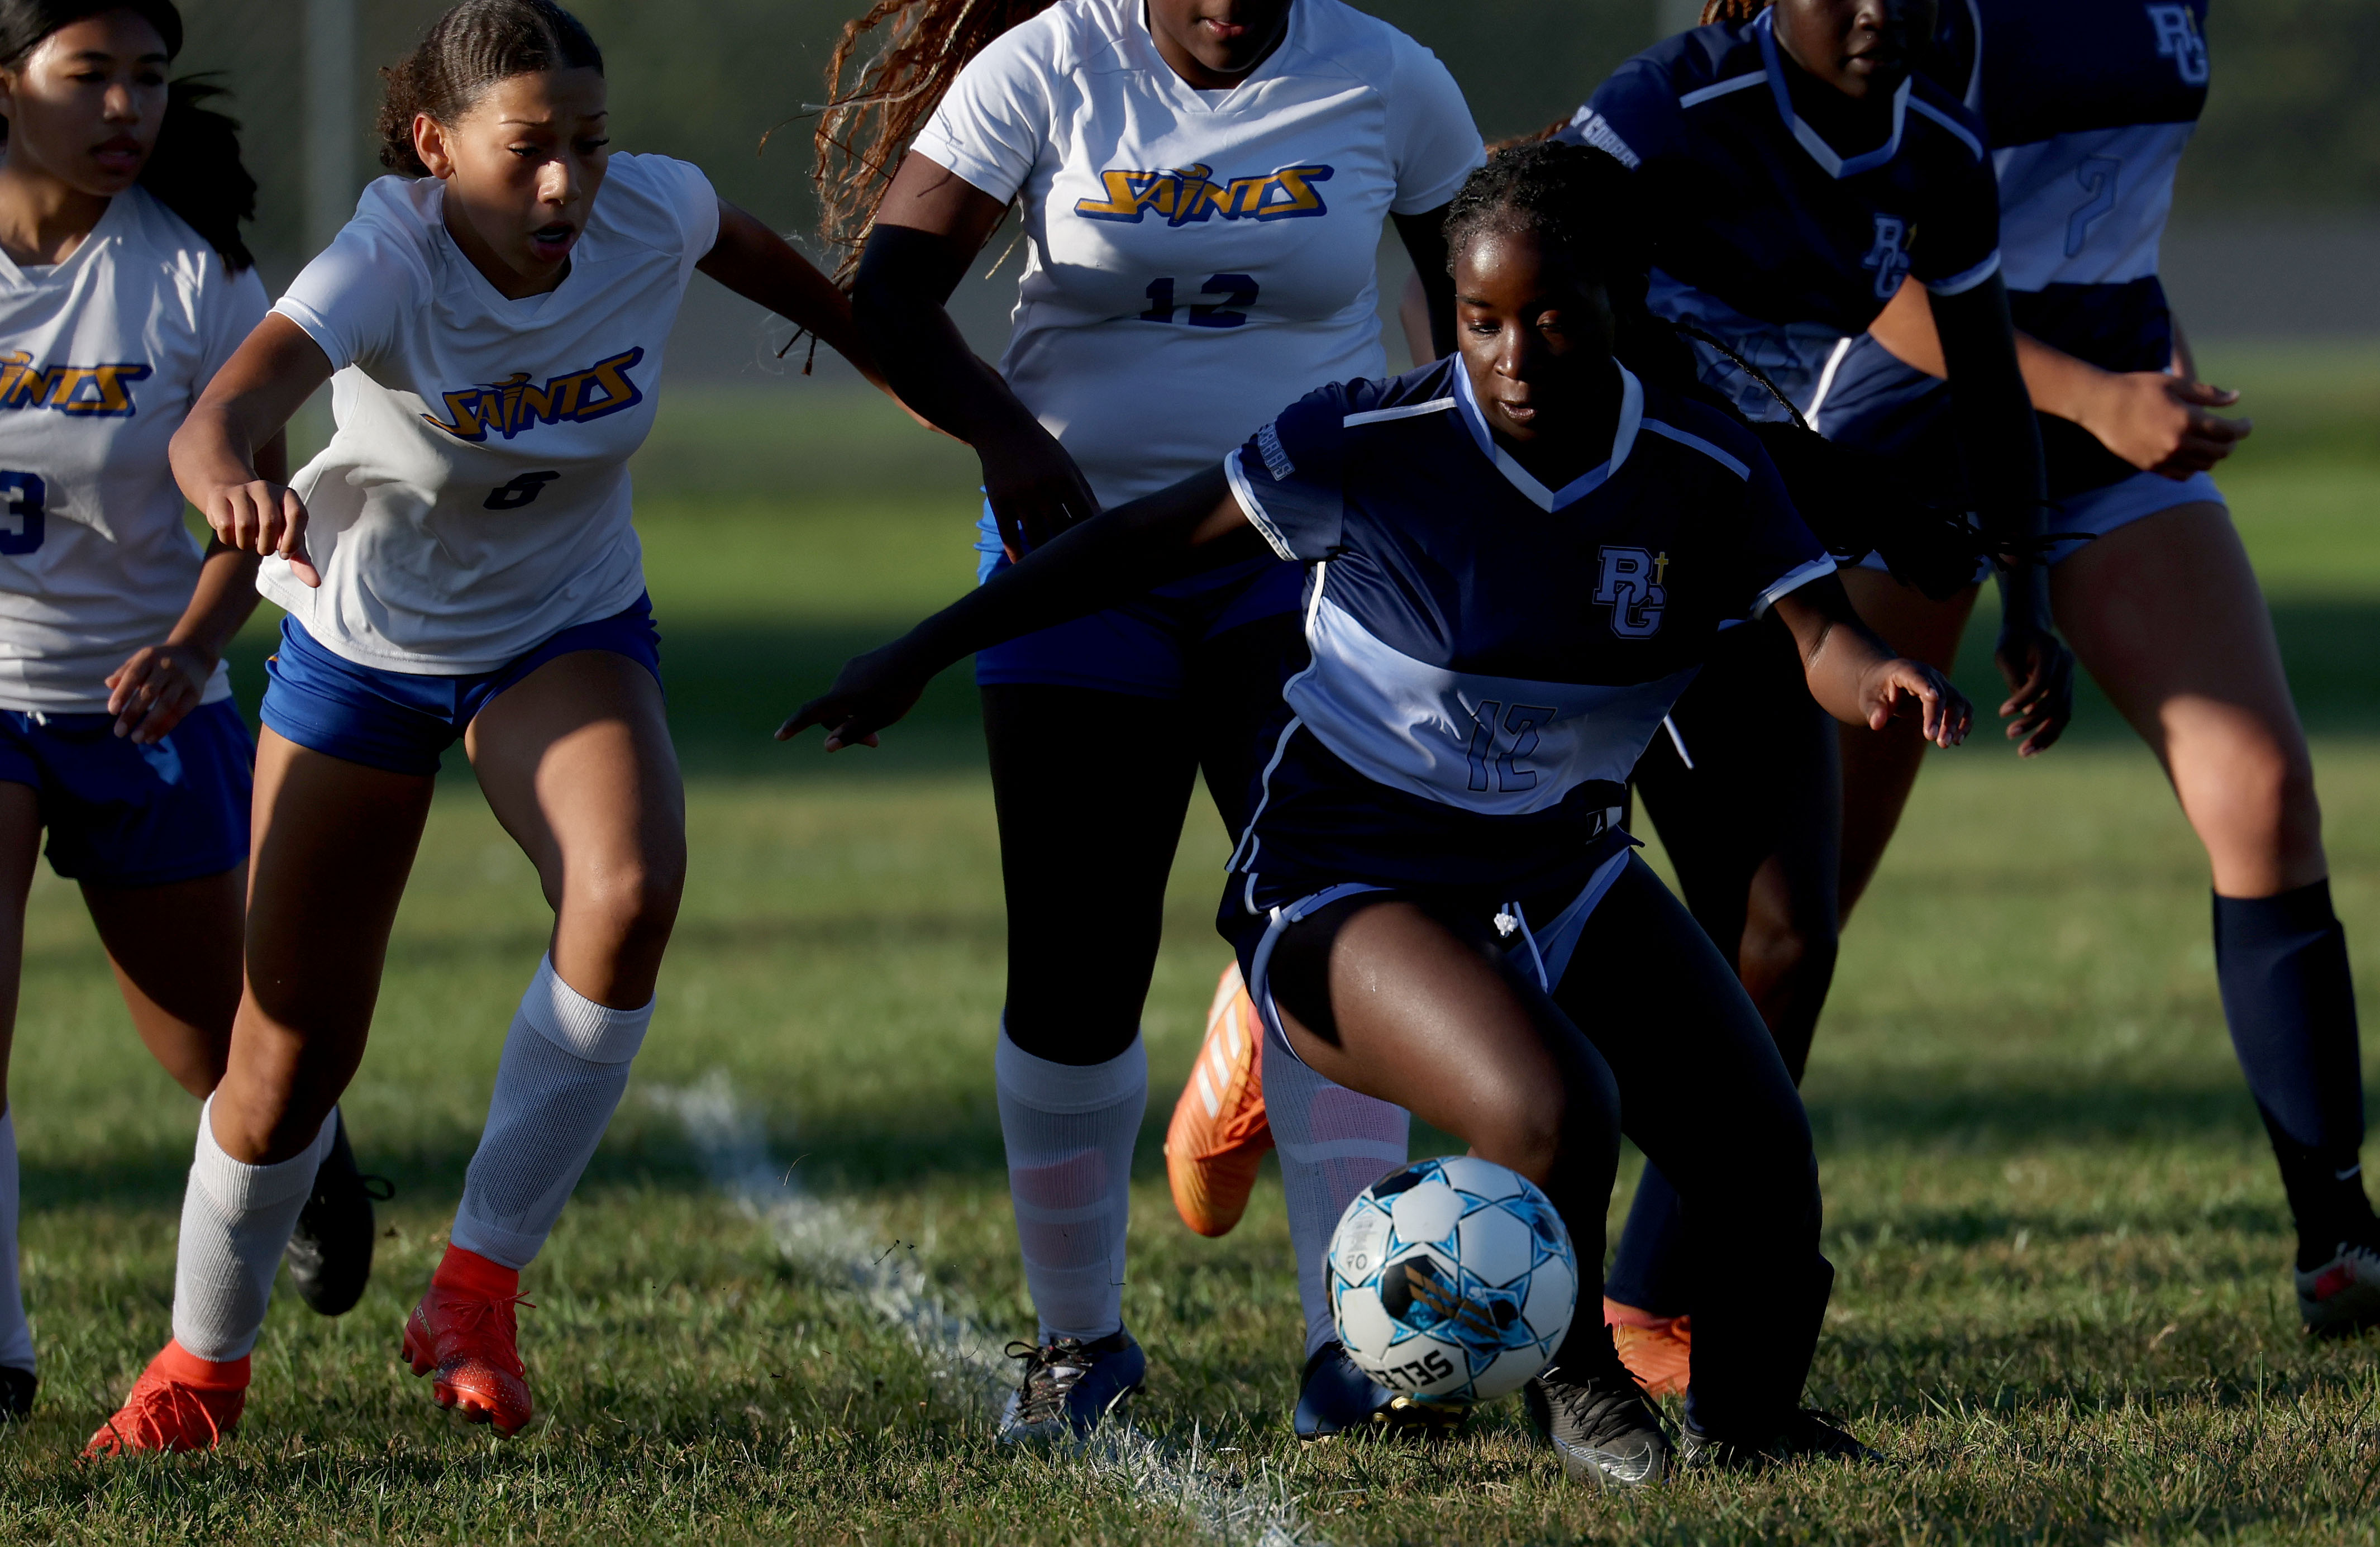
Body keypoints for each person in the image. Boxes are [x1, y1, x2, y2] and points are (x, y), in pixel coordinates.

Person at [790, 141, 1968, 1489]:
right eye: (1479, 320)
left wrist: (1879, 674)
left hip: (1559, 870)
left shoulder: (1701, 465)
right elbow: (1138, 537)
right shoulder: (1369, 437)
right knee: (1551, 1100)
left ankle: (1755, 1421)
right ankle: (1573, 1374)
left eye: (1549, 318)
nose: (1511, 354)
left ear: (1620, 306)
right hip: (1341, 882)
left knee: (1756, 1159)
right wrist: (925, 646)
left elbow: (1813, 631)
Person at [85, 0, 884, 1454]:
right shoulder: (387, 256)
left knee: (629, 888)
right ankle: (199, 1371)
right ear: (436, 147)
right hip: (366, 648)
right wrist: (229, 491)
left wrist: (1011, 436)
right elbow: (222, 414)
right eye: (529, 152)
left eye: (590, 141)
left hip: (560, 631)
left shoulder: (658, 213)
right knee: (286, 1057)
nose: (569, 183)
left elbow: (853, 312)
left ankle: (476, 1293)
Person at [1774, 0, 2380, 1336]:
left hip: (2102, 423)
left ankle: (2338, 1242)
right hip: (1912, 440)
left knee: (2263, 790)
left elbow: (2094, 211)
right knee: (1793, 906)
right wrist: (2095, 393)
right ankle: (1638, 1278)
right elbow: (1879, 286)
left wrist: (2148, 358)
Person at [819, 0, 1483, 1439]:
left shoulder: (1388, 79)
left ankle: (1357, 1344)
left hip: (1304, 572)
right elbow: (886, 291)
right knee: (1075, 960)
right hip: (1078, 574)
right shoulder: (1049, 61)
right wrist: (1007, 436)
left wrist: (1439, 493)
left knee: (1339, 931)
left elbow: (1481, 307)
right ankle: (1075, 1347)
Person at [0, 0, 388, 1424]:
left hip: (143, 698)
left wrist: (184, 642)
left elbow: (257, 520)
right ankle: (3, 1347)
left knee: (216, 1049)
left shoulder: (194, 272)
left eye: (147, 77)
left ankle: (312, 1152)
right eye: (86, 75)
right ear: (7, 86)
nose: (124, 108)